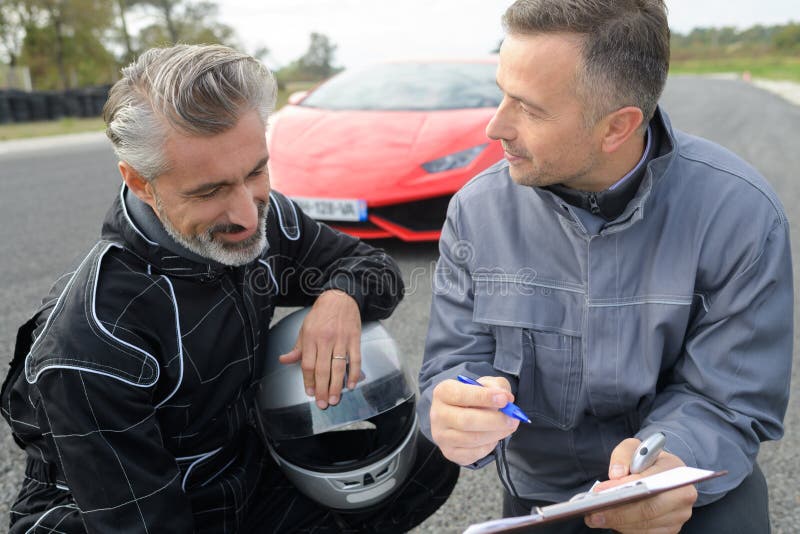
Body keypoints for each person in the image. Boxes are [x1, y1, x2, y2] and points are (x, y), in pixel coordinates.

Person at [1, 44, 458, 533]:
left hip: (236, 471)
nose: (245, 214)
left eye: (256, 171)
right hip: (120, 509)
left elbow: (373, 267)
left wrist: (341, 296)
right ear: (139, 181)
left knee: (430, 460)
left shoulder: (267, 216)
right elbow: (143, 522)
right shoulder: (93, 339)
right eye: (209, 191)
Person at [418, 1, 792, 533]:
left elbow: (730, 401)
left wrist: (668, 465)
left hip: (686, 493)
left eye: (529, 107)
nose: (495, 126)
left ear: (617, 126)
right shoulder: (476, 213)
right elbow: (452, 363)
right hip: (541, 499)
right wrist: (454, 405)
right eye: (501, 93)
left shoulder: (742, 216)